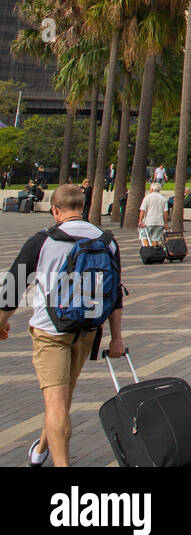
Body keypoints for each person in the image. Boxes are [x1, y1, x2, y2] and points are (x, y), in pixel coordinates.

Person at [0, 184, 126, 466]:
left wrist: (1, 324)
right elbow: (115, 291)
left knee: (56, 403)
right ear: (82, 207)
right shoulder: (107, 240)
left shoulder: (43, 241)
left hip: (50, 330)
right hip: (87, 330)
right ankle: (41, 449)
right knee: (64, 395)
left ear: (54, 210)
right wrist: (116, 338)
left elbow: (12, 287)